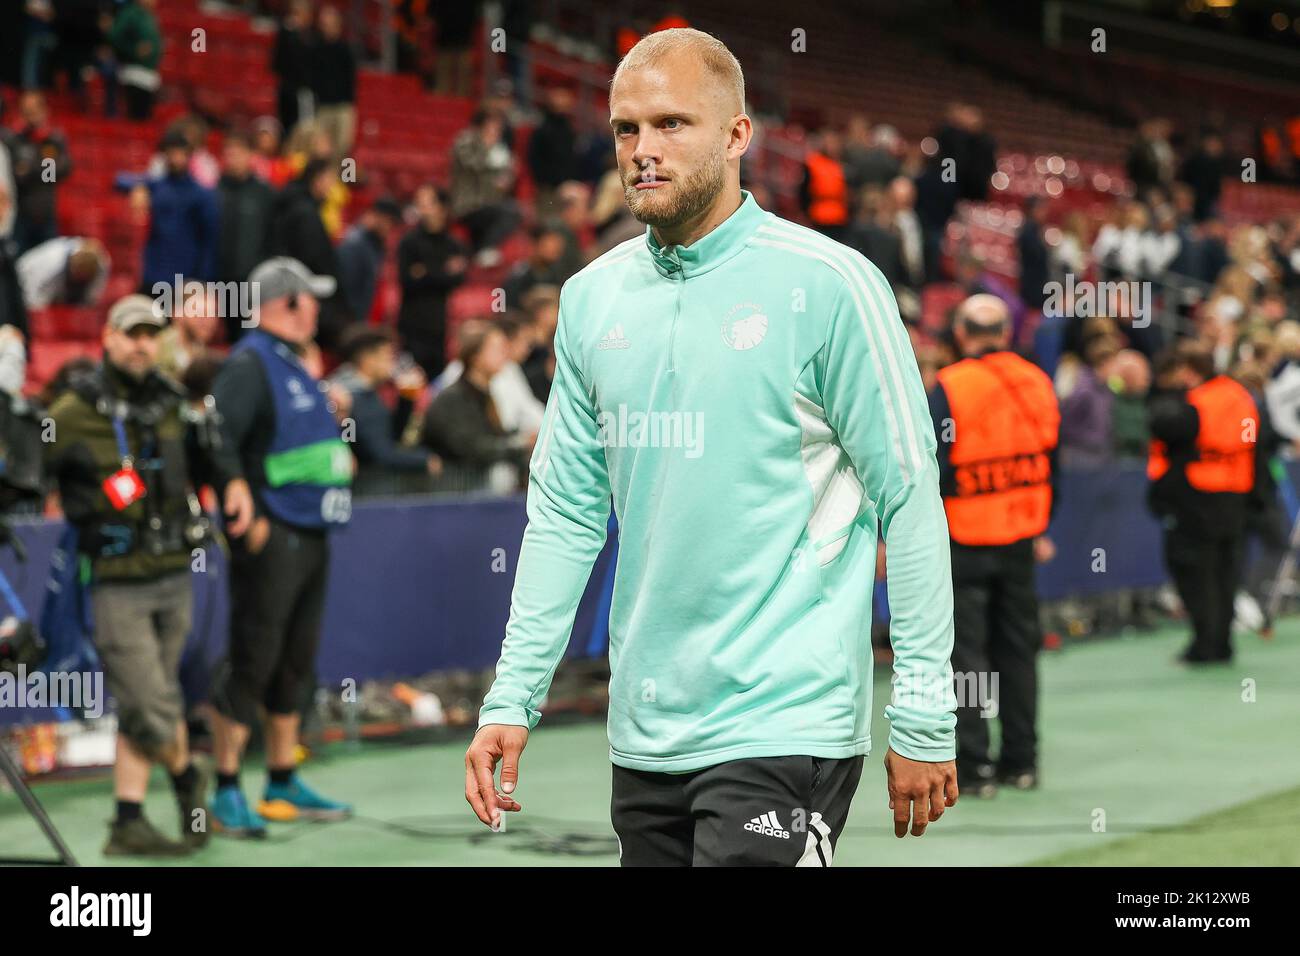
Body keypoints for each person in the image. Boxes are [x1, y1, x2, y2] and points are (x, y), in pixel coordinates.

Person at [465, 28, 959, 866]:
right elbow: (566, 516)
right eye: (626, 129)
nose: (643, 150)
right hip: (645, 731)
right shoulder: (589, 299)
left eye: (671, 123)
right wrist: (512, 696)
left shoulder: (830, 284)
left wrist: (922, 711)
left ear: (737, 136)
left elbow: (908, 499)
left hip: (785, 719)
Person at [44, 294, 252, 856]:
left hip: (174, 571)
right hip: (116, 577)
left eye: (149, 335)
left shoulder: (172, 403)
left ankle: (128, 819)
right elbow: (28, 466)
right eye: (130, 334)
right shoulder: (72, 411)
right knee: (149, 700)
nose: (141, 345)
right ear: (108, 338)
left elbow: (211, 457)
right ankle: (187, 775)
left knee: (150, 700)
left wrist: (232, 481)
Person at [207, 257, 354, 837]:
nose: (317, 308)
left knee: (296, 660)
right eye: (310, 298)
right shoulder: (250, 362)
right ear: (289, 304)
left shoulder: (295, 363)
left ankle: (281, 778)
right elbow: (217, 433)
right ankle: (224, 788)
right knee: (254, 657)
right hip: (273, 534)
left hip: (312, 531)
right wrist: (237, 490)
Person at [1147, 342, 1259, 664]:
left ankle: (1205, 645)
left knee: (1195, 573)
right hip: (1235, 495)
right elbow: (1256, 443)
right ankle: (1221, 644)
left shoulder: (1192, 402)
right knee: (1225, 574)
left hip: (1196, 497)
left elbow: (1164, 429)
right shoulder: (1239, 395)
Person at [420, 320, 533, 492]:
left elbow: (495, 435)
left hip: (477, 489)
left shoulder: (485, 394)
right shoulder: (454, 398)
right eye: (496, 348)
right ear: (475, 356)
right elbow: (473, 448)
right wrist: (520, 444)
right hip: (450, 493)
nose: (505, 353)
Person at [329, 325, 439, 497]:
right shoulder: (353, 396)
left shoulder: (365, 393)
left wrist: (406, 399)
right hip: (362, 493)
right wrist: (425, 460)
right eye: (388, 356)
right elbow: (380, 452)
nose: (392, 364)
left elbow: (389, 436)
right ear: (367, 359)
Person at [120, 128, 219, 293]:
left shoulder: (201, 194)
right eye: (171, 153)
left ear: (189, 156)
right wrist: (138, 187)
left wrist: (202, 279)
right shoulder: (157, 185)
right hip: (154, 272)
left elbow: (208, 240)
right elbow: (120, 180)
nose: (176, 158)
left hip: (185, 275)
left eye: (180, 153)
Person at [396, 184, 467, 378]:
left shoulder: (453, 244)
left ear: (442, 208)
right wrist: (443, 271)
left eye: (427, 203)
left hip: (438, 325)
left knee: (437, 381)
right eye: (418, 203)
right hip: (411, 325)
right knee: (410, 381)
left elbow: (459, 278)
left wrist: (426, 272)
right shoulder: (409, 242)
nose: (421, 208)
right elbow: (407, 280)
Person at [10, 91, 71, 255]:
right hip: (21, 216)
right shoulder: (15, 139)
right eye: (26, 111)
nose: (30, 116)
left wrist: (29, 168)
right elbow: (16, 175)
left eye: (33, 111)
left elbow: (52, 174)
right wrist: (42, 166)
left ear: (44, 110)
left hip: (46, 216)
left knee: (49, 259)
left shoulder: (53, 139)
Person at [336, 196, 402, 324]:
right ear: (376, 216)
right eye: (389, 221)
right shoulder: (355, 244)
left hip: (360, 318)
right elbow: (347, 289)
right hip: (348, 319)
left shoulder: (374, 243)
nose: (390, 227)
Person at [15, 235, 110, 310]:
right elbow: (35, 303)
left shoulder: (102, 264)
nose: (80, 279)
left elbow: (90, 300)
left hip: (57, 284)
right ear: (73, 268)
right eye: (79, 275)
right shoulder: (54, 264)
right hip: (24, 279)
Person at [310, 5, 357, 156]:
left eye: (330, 23)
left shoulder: (346, 49)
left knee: (343, 146)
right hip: (323, 106)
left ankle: (340, 171)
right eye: (324, 24)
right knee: (320, 147)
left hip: (343, 106)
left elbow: (350, 78)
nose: (327, 27)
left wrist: (349, 103)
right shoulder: (315, 48)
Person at [108, 0, 162, 121]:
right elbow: (114, 36)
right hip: (134, 73)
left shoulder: (149, 15)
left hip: (148, 74)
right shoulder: (130, 13)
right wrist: (133, 49)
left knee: (144, 118)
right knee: (136, 117)